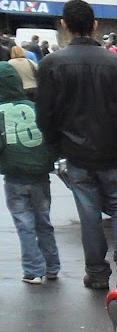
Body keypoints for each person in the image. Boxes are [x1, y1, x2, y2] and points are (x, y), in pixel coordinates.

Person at [34, 0, 117, 289]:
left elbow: (44, 114)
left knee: (89, 214)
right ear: (95, 25)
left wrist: (56, 145)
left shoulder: (51, 64)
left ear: (64, 25)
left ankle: (97, 273)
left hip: (77, 152)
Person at [1, 61, 61, 285]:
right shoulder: (35, 107)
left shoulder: (1, 112)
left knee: (24, 223)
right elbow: (53, 139)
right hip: (40, 176)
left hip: (15, 177)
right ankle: (53, 265)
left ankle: (33, 269)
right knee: (43, 221)